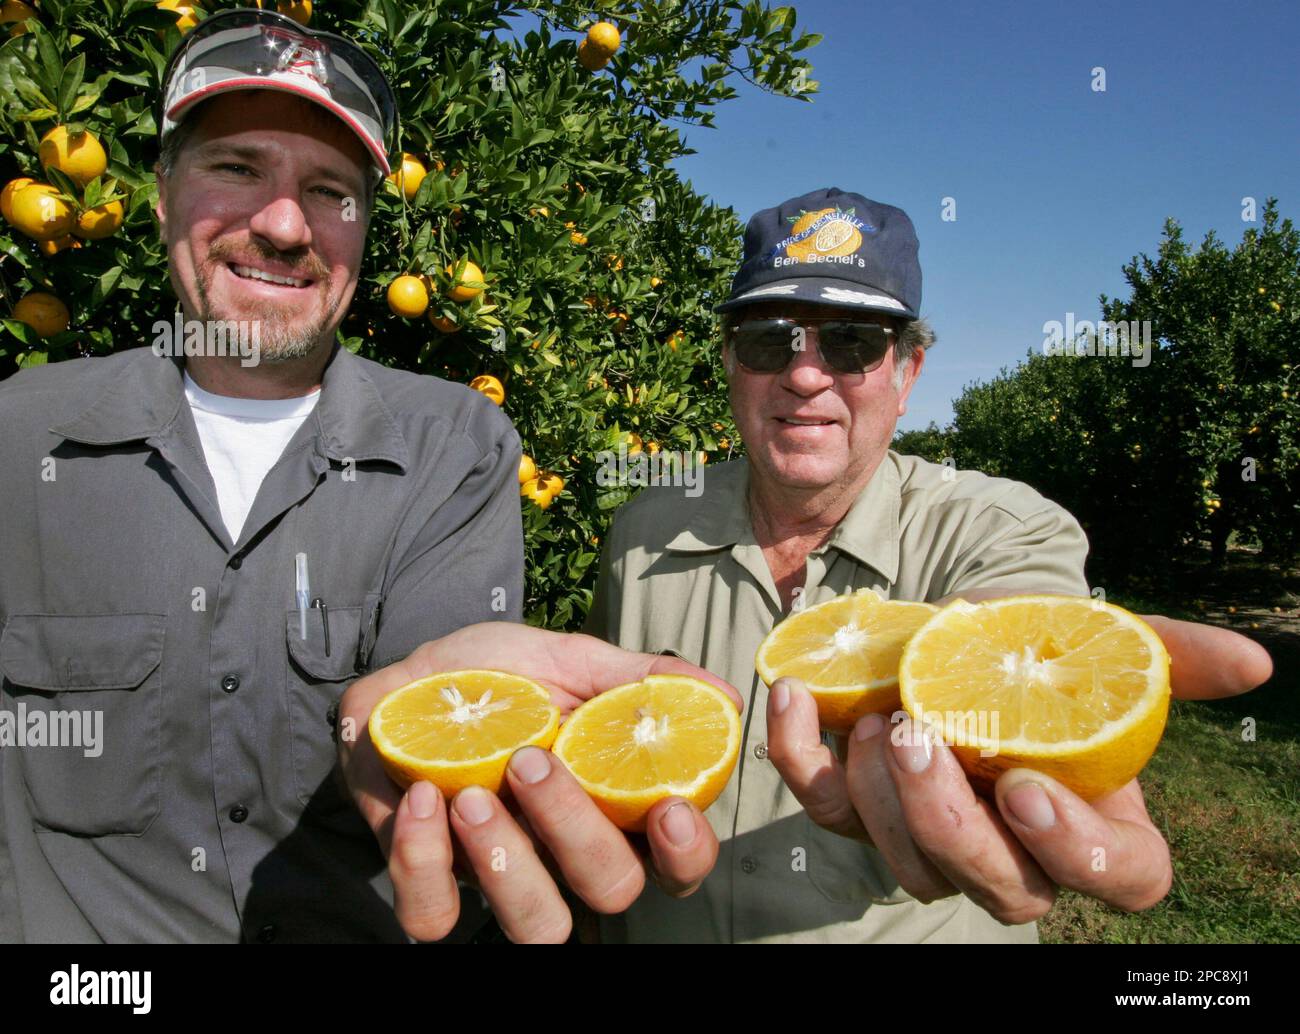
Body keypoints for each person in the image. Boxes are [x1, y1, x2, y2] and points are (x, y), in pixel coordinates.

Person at [0, 7, 732, 943]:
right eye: (236, 168)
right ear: (159, 194)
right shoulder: (23, 442)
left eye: (330, 191)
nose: (282, 224)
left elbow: (442, 692)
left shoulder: (454, 443)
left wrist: (440, 725)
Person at [582, 186, 1274, 942]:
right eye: (767, 340)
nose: (806, 375)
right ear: (729, 364)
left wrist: (1014, 659)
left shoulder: (1000, 527)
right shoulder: (643, 530)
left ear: (908, 374)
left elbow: (1028, 624)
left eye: (851, 343)